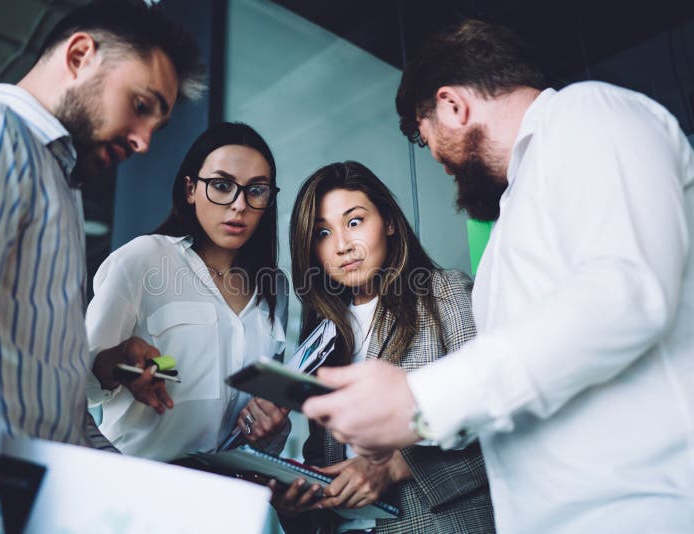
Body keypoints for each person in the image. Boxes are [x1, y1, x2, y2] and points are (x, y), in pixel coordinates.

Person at [301, 19, 694, 533]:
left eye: (428, 141)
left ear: (452, 106)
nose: (441, 165)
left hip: (641, 508)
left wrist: (419, 403)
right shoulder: (512, 224)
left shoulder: (588, 112)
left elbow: (625, 293)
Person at [0, 0, 202, 530]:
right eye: (140, 104)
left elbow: (56, 412)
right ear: (80, 55)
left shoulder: (60, 187)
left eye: (157, 122)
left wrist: (153, 506)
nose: (144, 140)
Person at [271, 161, 494, 533]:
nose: (342, 245)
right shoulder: (324, 334)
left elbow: (496, 418)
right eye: (323, 232)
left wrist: (394, 467)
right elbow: (325, 456)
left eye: (354, 222)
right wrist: (297, 501)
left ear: (389, 222)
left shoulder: (444, 293)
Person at [86, 122, 291, 461]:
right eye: (222, 186)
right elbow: (75, 384)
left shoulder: (275, 288)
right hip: (139, 488)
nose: (239, 205)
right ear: (191, 189)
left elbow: (259, 420)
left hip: (228, 494)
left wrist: (270, 427)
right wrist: (117, 362)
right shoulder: (145, 259)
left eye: (256, 190)